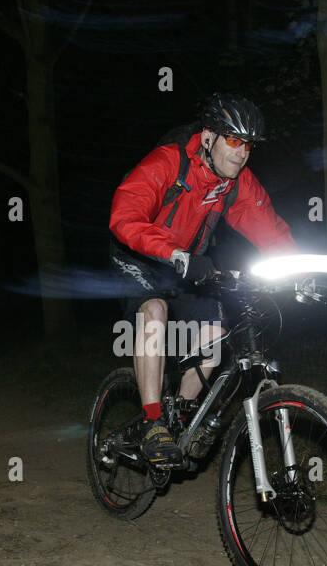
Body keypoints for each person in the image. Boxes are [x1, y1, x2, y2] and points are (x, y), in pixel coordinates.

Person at [108, 93, 300, 466]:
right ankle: (151, 423)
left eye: (249, 145)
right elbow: (125, 216)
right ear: (209, 136)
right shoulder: (169, 161)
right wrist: (174, 254)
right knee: (154, 311)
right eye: (234, 140)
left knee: (213, 329)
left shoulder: (237, 183)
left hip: (190, 263)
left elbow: (272, 232)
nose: (242, 153)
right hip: (141, 253)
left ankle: (181, 416)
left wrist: (302, 273)